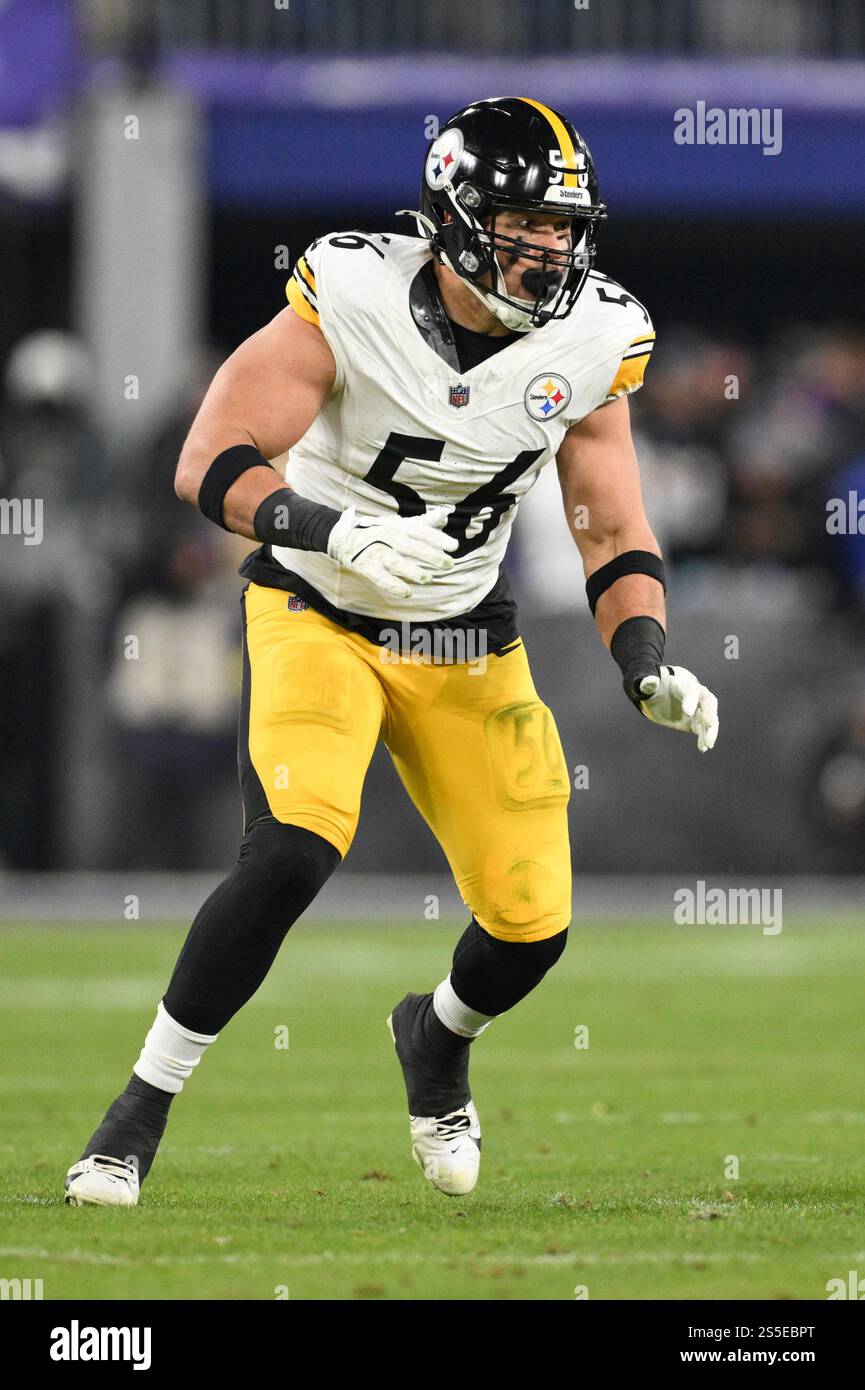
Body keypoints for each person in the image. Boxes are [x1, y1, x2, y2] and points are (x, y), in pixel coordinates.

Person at [65, 97, 718, 1207]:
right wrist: (331, 527)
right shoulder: (353, 290)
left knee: (529, 925)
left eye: (566, 229)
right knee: (292, 850)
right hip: (318, 610)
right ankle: (136, 1112)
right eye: (526, 224)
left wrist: (645, 655)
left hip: (466, 639)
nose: (550, 250)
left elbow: (609, 522)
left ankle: (435, 1038)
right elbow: (210, 458)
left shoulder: (596, 334)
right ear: (458, 216)